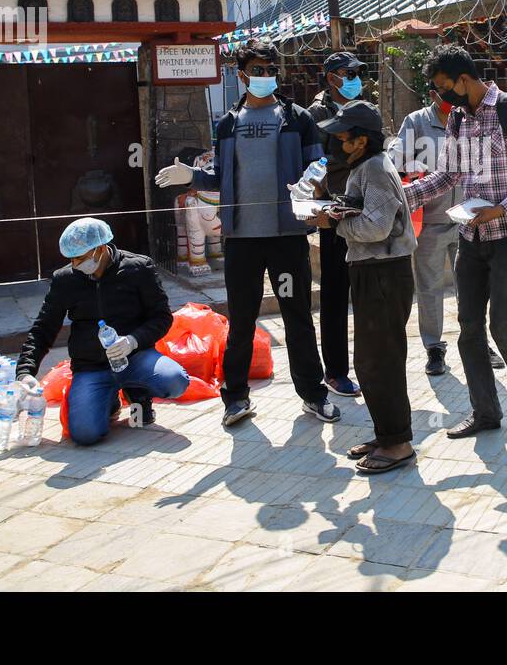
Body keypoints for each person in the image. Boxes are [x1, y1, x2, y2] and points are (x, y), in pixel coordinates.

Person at [155, 43, 340, 427]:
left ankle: (313, 394)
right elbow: (220, 176)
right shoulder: (227, 123)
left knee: (297, 317)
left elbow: (319, 165)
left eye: (270, 68)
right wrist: (192, 177)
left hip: (286, 239)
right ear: (241, 75)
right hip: (241, 241)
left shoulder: (297, 118)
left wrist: (315, 183)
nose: (264, 75)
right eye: (256, 69)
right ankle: (236, 399)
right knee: (241, 320)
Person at [403, 44, 507, 436]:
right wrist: (399, 198)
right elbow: (446, 176)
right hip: (470, 236)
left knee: (502, 324)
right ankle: (485, 412)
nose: (440, 95)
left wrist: (503, 208)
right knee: (469, 326)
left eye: (443, 86)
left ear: (464, 79)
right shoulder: (458, 120)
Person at [308, 101, 418, 474]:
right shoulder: (364, 167)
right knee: (371, 360)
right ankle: (387, 434)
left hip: (384, 272)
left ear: (361, 140)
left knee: (380, 360)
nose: (337, 141)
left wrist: (332, 224)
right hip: (373, 270)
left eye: (343, 136)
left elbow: (376, 228)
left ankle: (398, 444)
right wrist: (336, 209)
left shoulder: (374, 168)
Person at [15, 218, 189, 446]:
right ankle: (109, 402)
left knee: (175, 380)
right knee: (85, 434)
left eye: (80, 258)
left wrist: (133, 341)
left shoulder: (137, 268)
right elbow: (43, 328)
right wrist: (25, 372)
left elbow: (162, 317)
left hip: (135, 357)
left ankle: (137, 393)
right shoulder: (65, 279)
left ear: (99, 249)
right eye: (72, 259)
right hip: (92, 366)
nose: (75, 264)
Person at [390, 86, 506, 376]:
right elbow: (395, 160)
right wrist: (413, 168)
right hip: (429, 221)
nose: (454, 100)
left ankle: (479, 341)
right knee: (429, 288)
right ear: (433, 94)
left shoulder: (471, 119)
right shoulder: (416, 122)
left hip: (469, 219)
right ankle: (434, 348)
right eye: (446, 94)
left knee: (472, 287)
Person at [305, 51, 366, 398]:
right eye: (348, 72)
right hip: (334, 213)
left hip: (365, 210)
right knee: (334, 295)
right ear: (331, 78)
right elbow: (314, 166)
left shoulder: (362, 108)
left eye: (359, 72)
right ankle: (336, 371)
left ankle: (369, 364)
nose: (356, 78)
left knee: (367, 291)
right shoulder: (317, 114)